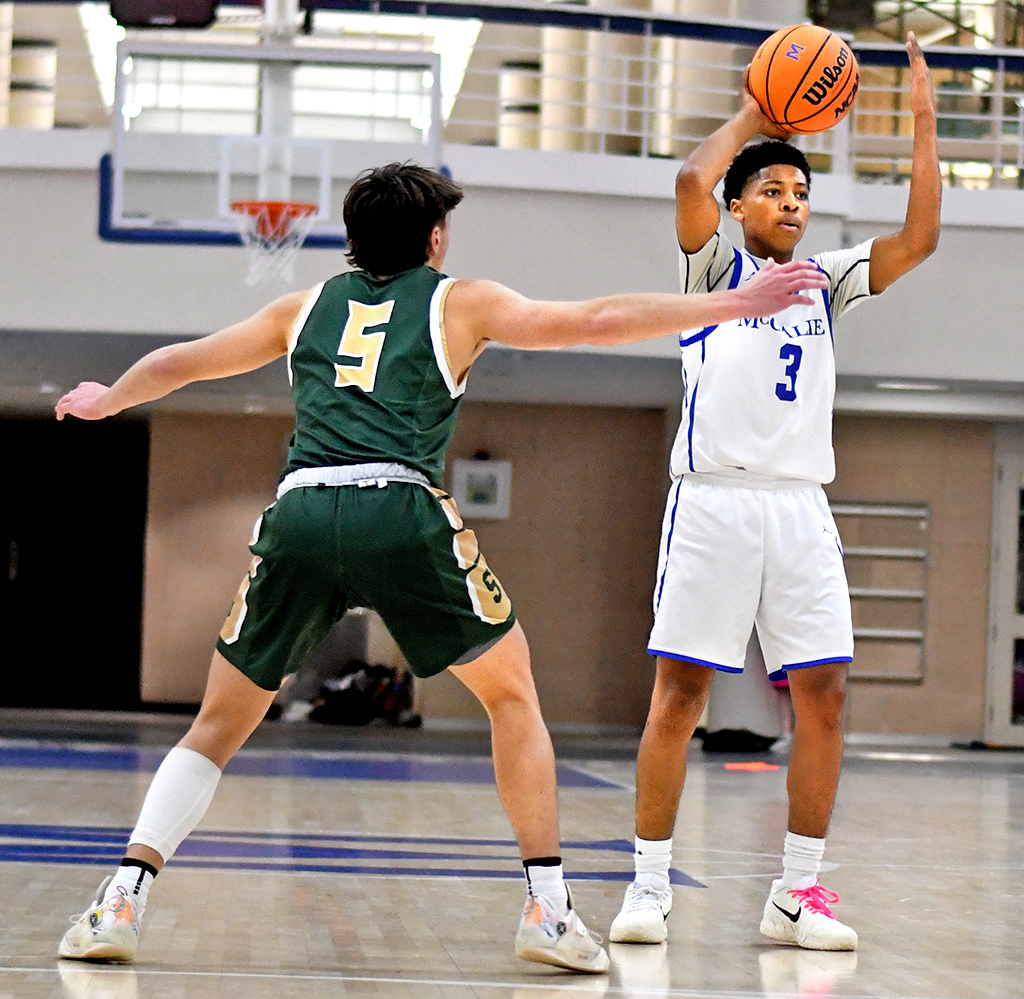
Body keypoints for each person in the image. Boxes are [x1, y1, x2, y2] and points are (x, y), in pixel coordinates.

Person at [53, 163, 828, 973]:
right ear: (434, 238)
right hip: (400, 508)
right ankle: (548, 908)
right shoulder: (460, 301)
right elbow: (598, 318)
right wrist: (732, 302)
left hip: (302, 511)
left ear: (353, 239)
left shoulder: (302, 306)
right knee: (512, 693)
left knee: (216, 724)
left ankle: (120, 898)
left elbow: (187, 360)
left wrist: (109, 397)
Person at [610, 32, 940, 952]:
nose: (790, 204)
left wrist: (920, 123)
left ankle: (797, 892)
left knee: (826, 696)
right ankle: (647, 886)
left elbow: (919, 239)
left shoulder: (827, 282)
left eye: (800, 193)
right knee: (680, 696)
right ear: (741, 204)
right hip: (713, 499)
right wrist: (765, 109)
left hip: (800, 508)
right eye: (772, 190)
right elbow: (687, 183)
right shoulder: (714, 270)